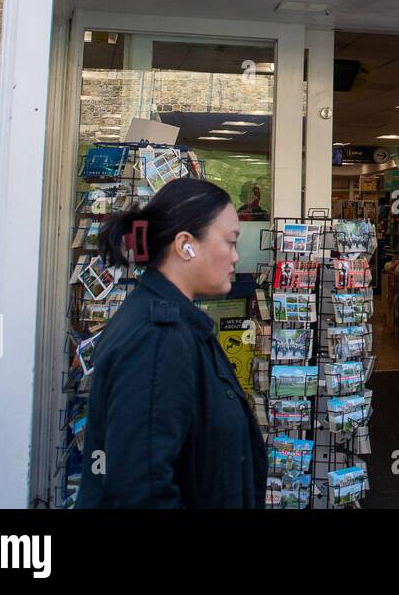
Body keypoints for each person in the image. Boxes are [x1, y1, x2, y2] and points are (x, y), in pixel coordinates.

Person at [78, 177, 266, 508]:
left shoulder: (170, 323)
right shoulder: (158, 339)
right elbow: (139, 490)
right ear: (185, 245)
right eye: (230, 242)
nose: (236, 257)